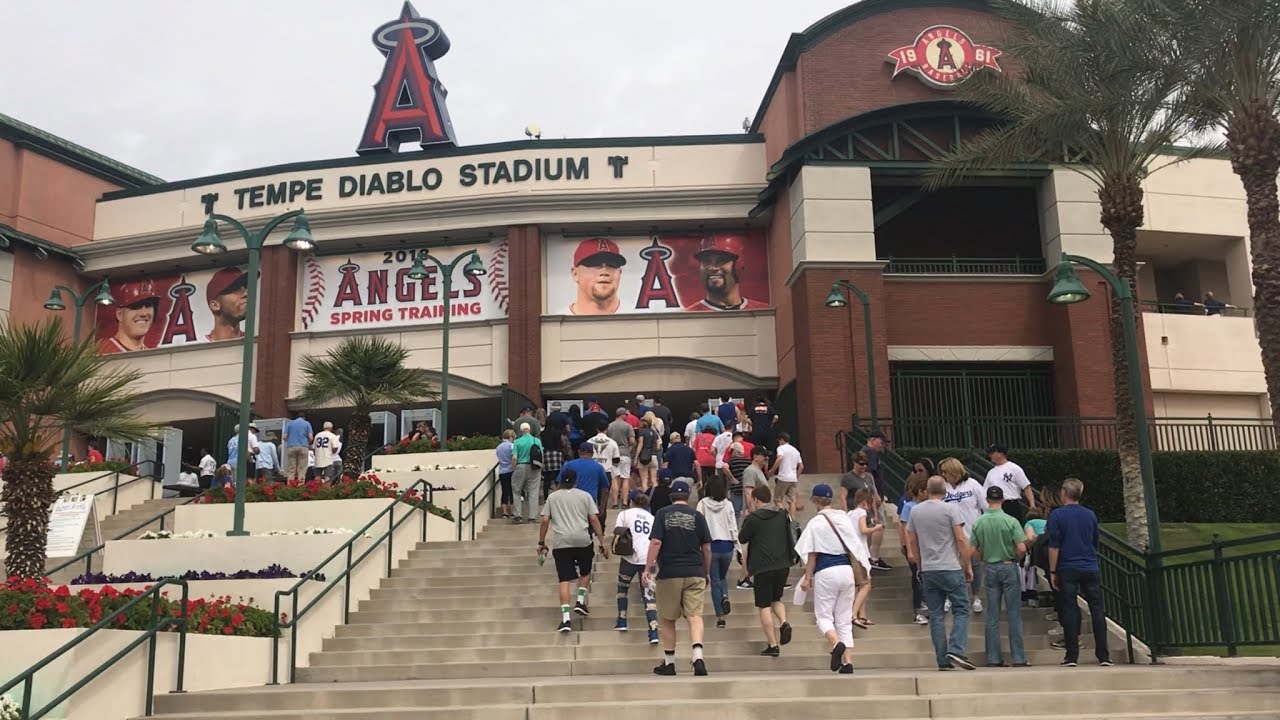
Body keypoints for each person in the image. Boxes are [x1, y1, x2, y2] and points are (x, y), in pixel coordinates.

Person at [795, 483, 868, 675]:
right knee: (844, 619)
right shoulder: (843, 518)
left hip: (826, 571)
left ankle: (836, 644)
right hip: (846, 570)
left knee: (824, 616)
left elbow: (812, 553)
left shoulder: (815, 523)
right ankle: (848, 663)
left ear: (815, 501)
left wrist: (807, 577)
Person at [906, 476, 976, 671]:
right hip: (950, 566)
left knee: (936, 615)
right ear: (945, 491)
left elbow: (912, 540)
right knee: (961, 609)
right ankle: (956, 649)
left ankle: (942, 660)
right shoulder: (951, 509)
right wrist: (968, 565)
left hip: (929, 568)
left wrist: (920, 565)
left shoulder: (916, 511)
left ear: (927, 490)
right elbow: (961, 539)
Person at [643, 480, 712, 676]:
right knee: (695, 616)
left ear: (671, 496)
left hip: (670, 572)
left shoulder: (662, 514)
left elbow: (656, 541)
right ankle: (697, 656)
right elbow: (706, 547)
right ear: (688, 496)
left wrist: (647, 568)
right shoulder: (697, 516)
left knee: (667, 618)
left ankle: (670, 662)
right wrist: (706, 572)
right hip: (694, 572)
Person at [1047, 477, 1112, 667]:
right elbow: (1095, 540)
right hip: (1090, 565)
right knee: (1097, 610)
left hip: (1068, 566)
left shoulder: (1057, 516)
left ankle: (1072, 655)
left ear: (1064, 493)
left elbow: (1054, 545)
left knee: (1069, 609)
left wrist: (1052, 571)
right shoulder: (1090, 515)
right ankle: (1103, 654)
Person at [538, 468, 610, 632]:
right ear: (576, 481)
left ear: (561, 481)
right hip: (583, 539)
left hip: (561, 542)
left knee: (564, 579)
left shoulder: (552, 497)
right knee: (585, 572)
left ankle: (565, 619)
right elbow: (593, 518)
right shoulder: (585, 496)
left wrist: (541, 541)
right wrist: (601, 540)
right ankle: (580, 600)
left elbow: (545, 521)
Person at [970, 485, 1029, 667]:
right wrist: (1015, 558)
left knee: (992, 615)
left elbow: (972, 550)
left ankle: (993, 657)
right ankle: (1018, 657)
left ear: (987, 500)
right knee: (1013, 613)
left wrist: (985, 558)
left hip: (990, 567)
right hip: (1008, 565)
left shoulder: (979, 522)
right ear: (1002, 500)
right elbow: (1021, 548)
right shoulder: (1010, 521)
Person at [737, 483, 795, 656]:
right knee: (776, 599)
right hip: (782, 564)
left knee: (764, 606)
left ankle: (772, 644)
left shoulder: (754, 518)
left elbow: (742, 537)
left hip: (763, 567)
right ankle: (784, 622)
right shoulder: (782, 514)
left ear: (755, 499)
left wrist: (747, 517)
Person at [940, 456, 987, 613]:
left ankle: (976, 597)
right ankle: (949, 597)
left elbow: (986, 506)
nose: (943, 475)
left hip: (971, 532)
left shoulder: (972, 484)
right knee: (951, 567)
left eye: (945, 471)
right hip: (949, 534)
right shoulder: (943, 487)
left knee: (974, 566)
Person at [614, 490, 659, 644]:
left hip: (629, 557)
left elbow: (618, 532)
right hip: (649, 558)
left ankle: (622, 619)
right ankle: (653, 630)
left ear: (632, 501)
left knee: (622, 589)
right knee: (649, 595)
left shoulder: (625, 514)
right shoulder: (652, 518)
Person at [681, 234, 768, 311]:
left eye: (722, 260)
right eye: (706, 261)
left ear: (738, 265)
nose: (713, 267)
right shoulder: (688, 317)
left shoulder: (763, 311)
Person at [696, 476, 738, 629]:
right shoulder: (728, 504)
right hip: (727, 546)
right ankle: (725, 596)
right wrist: (737, 546)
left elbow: (698, 524)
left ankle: (720, 617)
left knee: (714, 580)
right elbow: (733, 526)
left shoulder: (702, 504)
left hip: (711, 546)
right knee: (722, 577)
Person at [847, 489, 883, 629]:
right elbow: (863, 530)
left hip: (852, 552)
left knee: (862, 585)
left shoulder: (849, 514)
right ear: (865, 503)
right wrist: (876, 528)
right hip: (860, 553)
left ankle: (862, 615)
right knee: (866, 584)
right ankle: (853, 614)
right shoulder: (861, 512)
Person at [899, 474, 929, 625]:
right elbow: (905, 528)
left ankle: (927, 607)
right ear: (921, 491)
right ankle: (917, 611)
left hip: (926, 547)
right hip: (914, 546)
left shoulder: (928, 506)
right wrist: (909, 550)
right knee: (917, 578)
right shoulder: (909, 506)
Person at [568, 238, 626, 315]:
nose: (604, 271)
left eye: (612, 264)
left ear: (620, 273)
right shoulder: (553, 324)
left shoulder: (639, 318)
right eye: (595, 263)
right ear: (575, 274)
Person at [98, 281, 160, 353]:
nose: (143, 313)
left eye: (148, 305)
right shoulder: (101, 352)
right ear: (119, 314)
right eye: (136, 306)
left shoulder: (151, 357)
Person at [983, 444, 1036, 525]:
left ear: (1000, 454)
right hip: (995, 505)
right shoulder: (991, 472)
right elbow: (984, 490)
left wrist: (1032, 504)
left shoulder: (1014, 468)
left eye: (992, 453)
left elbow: (1026, 487)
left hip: (1011, 504)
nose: (990, 455)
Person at [558, 444, 611, 524]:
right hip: (590, 502)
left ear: (579, 452)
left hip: (571, 501)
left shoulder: (569, 465)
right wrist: (602, 507)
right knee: (588, 528)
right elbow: (605, 490)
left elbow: (560, 484)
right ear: (593, 453)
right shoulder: (598, 467)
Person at [206, 267, 250, 341]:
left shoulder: (255, 342)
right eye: (235, 289)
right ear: (215, 305)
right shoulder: (199, 348)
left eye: (245, 287)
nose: (245, 293)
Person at [511, 426, 543, 524]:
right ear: (529, 429)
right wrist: (541, 469)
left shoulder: (517, 441)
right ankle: (532, 517)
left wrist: (514, 469)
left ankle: (518, 516)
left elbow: (514, 458)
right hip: (534, 467)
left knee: (516, 490)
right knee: (533, 492)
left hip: (520, 466)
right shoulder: (536, 440)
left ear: (521, 430)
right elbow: (541, 455)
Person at [769, 432, 804, 517]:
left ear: (781, 439)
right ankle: (792, 521)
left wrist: (772, 470)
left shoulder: (781, 448)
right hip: (793, 478)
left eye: (779, 440)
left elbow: (780, 458)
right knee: (792, 501)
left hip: (783, 477)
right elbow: (801, 466)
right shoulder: (795, 450)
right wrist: (796, 477)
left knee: (777, 499)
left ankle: (784, 516)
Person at [606, 408, 635, 508]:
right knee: (625, 478)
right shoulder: (628, 426)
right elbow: (632, 441)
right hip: (625, 453)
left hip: (613, 454)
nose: (627, 416)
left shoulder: (609, 426)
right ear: (622, 415)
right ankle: (624, 502)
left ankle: (614, 503)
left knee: (614, 479)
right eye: (626, 415)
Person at [282, 411, 314, 482]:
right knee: (302, 469)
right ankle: (300, 486)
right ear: (304, 418)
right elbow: (311, 437)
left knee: (291, 469)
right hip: (303, 446)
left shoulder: (290, 424)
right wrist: (307, 443)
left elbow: (284, 437)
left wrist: (290, 441)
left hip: (291, 447)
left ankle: (290, 486)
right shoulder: (307, 424)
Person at [540, 426, 568, 502]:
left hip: (546, 454)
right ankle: (559, 495)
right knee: (557, 476)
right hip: (557, 454)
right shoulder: (558, 433)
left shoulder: (542, 433)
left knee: (546, 478)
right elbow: (563, 443)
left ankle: (546, 497)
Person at [724, 443, 752, 518]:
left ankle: (735, 528)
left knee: (735, 512)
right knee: (747, 512)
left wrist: (732, 478)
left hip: (737, 489)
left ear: (735, 452)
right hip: (748, 489)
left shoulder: (732, 461)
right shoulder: (749, 461)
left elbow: (724, 467)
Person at [634, 414, 660, 493]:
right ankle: (655, 497)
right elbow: (658, 446)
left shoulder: (642, 431)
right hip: (654, 457)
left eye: (641, 421)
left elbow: (640, 444)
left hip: (644, 457)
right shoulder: (654, 432)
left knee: (644, 481)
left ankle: (646, 498)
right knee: (654, 480)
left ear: (645, 422)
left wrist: (636, 457)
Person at [860, 432, 888, 499]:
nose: (882, 445)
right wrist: (875, 494)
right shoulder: (870, 452)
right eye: (881, 442)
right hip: (873, 494)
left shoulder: (865, 451)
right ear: (873, 440)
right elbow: (869, 474)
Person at [496, 430, 515, 519]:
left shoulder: (498, 447)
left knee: (504, 492)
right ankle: (512, 512)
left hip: (502, 471)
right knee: (512, 492)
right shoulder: (511, 446)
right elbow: (514, 457)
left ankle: (504, 513)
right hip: (511, 470)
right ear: (510, 437)